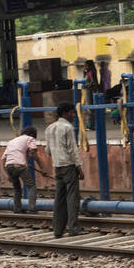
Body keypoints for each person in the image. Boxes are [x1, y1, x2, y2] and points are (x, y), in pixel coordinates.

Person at [45, 101, 83, 238]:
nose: (74, 115)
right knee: (72, 197)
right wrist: (79, 166)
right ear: (65, 113)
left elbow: (47, 151)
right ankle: (73, 228)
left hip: (57, 166)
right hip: (69, 165)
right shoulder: (68, 127)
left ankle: (58, 229)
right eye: (72, 113)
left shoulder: (49, 128)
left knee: (59, 198)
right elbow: (72, 149)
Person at [2, 127, 44, 214]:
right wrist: (42, 168)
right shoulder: (30, 138)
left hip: (9, 166)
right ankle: (31, 209)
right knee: (31, 186)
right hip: (19, 166)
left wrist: (7, 174)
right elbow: (33, 153)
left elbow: (3, 159)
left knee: (17, 189)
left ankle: (17, 209)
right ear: (32, 134)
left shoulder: (12, 141)